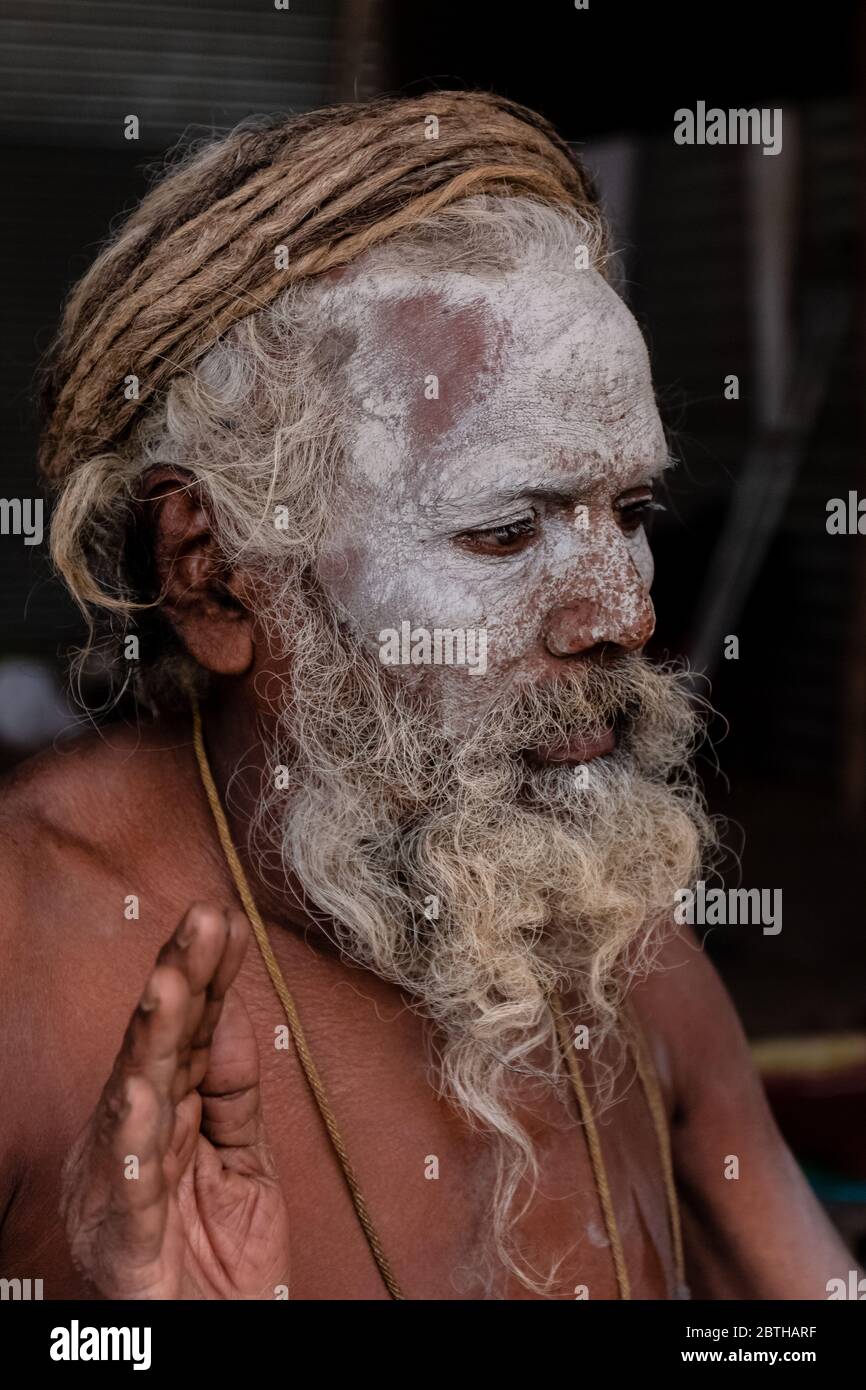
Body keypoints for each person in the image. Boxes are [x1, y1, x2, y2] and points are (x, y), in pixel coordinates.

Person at [0, 91, 855, 1300]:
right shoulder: (30, 950)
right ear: (216, 577)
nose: (626, 613)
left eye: (634, 514)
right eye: (507, 531)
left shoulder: (618, 940)